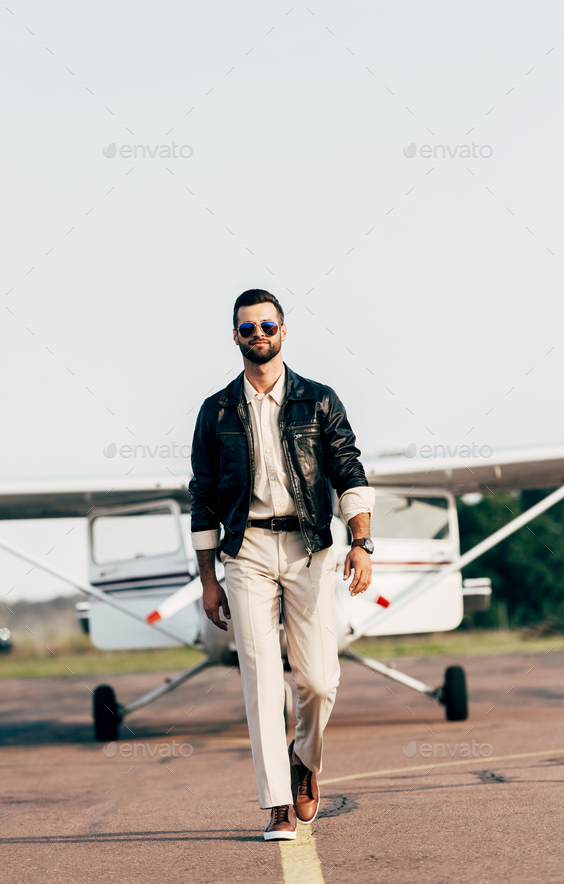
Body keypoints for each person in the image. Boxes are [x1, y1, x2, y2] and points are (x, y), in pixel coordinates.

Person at [189, 289, 374, 840]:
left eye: (267, 326)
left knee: (318, 680)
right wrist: (207, 580)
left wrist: (361, 544)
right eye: (248, 329)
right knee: (262, 681)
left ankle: (304, 762)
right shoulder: (216, 410)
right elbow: (201, 495)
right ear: (235, 337)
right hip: (244, 553)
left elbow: (349, 470)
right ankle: (276, 803)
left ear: (283, 330)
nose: (258, 336)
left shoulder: (319, 400)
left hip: (310, 547)